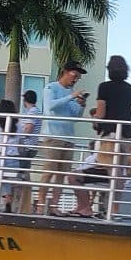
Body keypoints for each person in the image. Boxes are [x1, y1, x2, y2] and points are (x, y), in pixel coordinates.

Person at [91, 54, 131, 209]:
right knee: (119, 174)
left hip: (109, 135)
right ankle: (115, 208)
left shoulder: (104, 87)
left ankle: (110, 209)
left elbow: (101, 113)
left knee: (106, 172)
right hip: (126, 137)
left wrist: (95, 121)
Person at [37, 61, 86, 216]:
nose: (76, 79)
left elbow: (75, 116)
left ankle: (54, 205)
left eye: (78, 77)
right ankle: (40, 203)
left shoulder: (70, 93)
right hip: (52, 136)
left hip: (68, 138)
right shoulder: (51, 87)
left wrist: (81, 104)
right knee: (49, 170)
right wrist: (71, 96)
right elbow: (50, 106)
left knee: (61, 174)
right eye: (74, 75)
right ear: (65, 72)